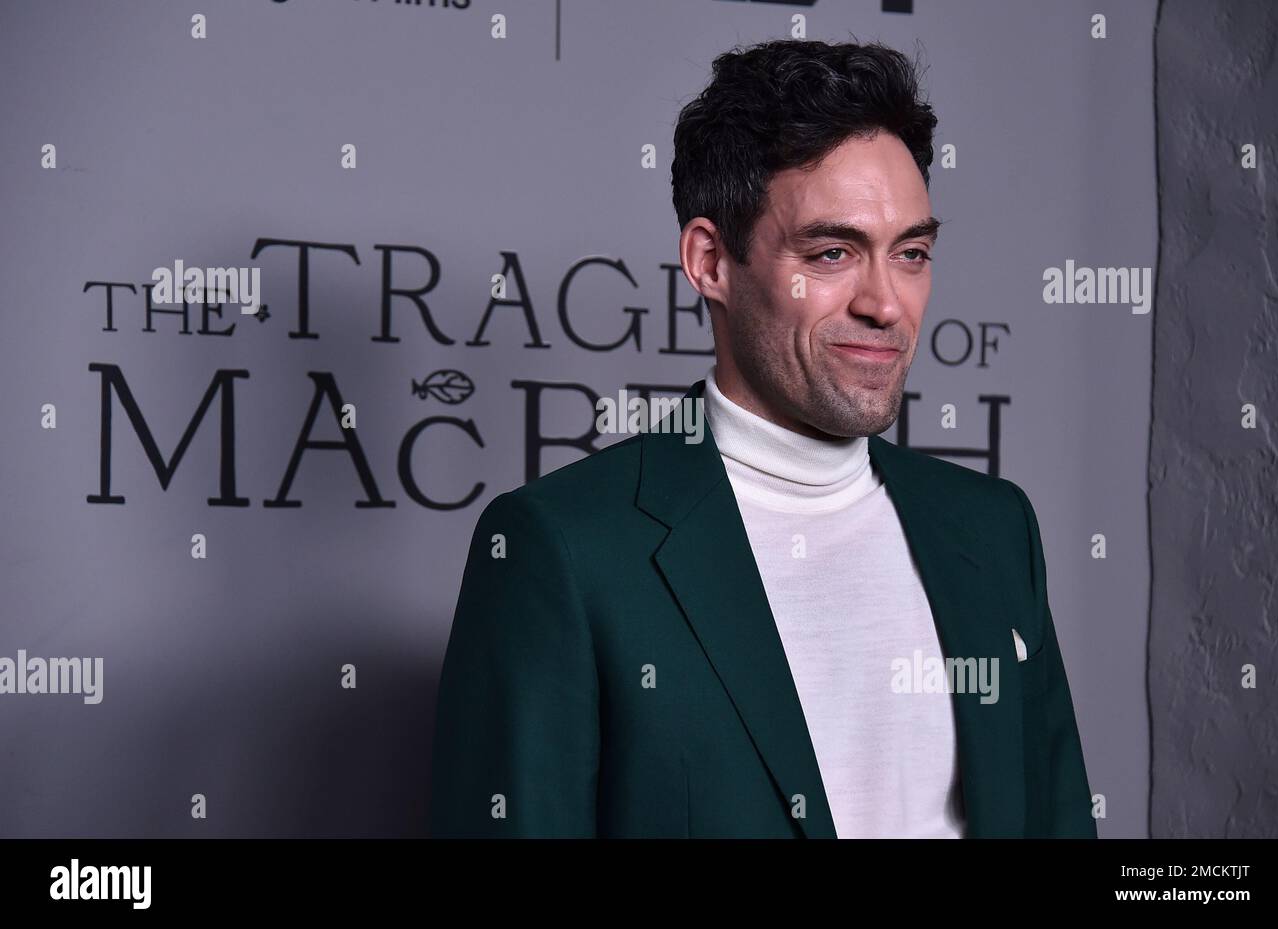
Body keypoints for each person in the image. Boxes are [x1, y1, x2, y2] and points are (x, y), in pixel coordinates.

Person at [430, 38, 1096, 838]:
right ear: (711, 261)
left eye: (912, 253)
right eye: (833, 252)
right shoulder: (564, 548)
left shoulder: (994, 527)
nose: (886, 303)